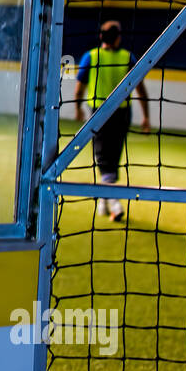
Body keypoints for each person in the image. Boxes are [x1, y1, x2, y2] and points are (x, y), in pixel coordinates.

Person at [73, 20, 152, 222]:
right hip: (122, 114)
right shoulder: (128, 57)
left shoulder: (90, 57)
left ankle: (105, 200)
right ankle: (113, 202)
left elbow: (79, 87)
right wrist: (146, 116)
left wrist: (78, 108)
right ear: (118, 37)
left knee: (104, 159)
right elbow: (141, 89)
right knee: (111, 160)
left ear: (101, 37)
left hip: (97, 114)